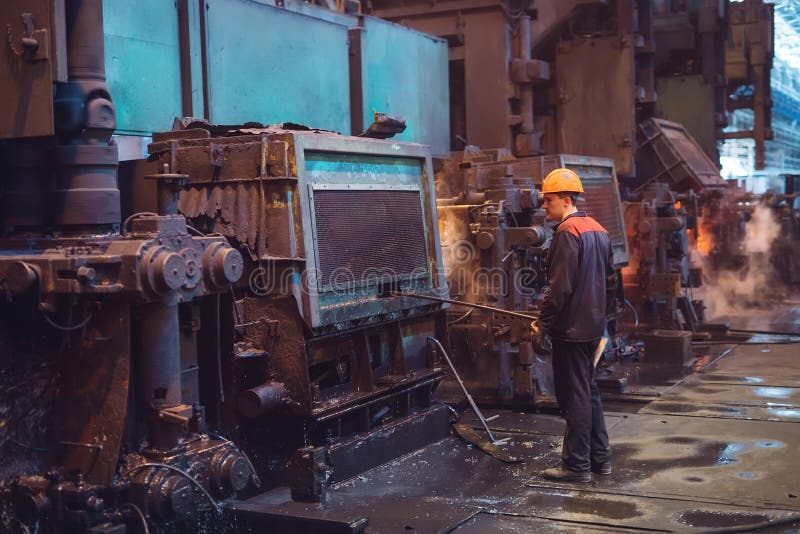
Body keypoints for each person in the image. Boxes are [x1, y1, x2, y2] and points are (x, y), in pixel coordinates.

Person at [532, 167, 615, 483]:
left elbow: (559, 287)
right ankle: (600, 460)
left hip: (572, 328)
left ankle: (576, 466)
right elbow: (607, 275)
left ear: (566, 199)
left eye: (548, 200)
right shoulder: (599, 230)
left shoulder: (567, 233)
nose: (545, 207)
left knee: (575, 396)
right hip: (593, 326)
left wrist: (543, 323)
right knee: (589, 391)